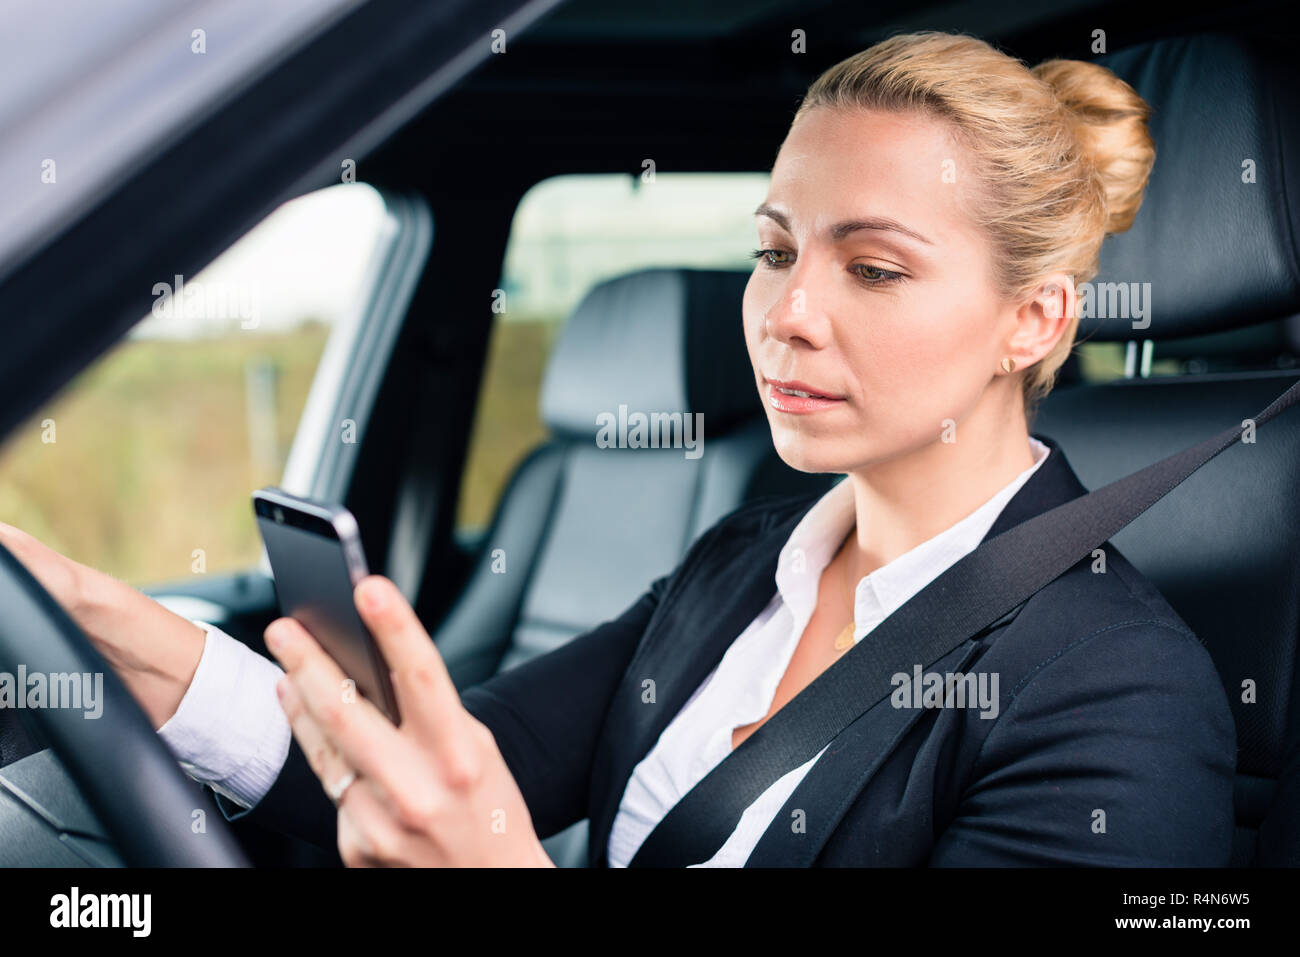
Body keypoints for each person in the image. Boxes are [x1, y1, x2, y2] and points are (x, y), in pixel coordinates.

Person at [0, 31, 1235, 867]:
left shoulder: (1118, 693)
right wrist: (98, 620)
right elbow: (445, 776)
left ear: (1034, 320)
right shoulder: (741, 563)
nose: (785, 311)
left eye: (871, 267)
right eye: (772, 249)